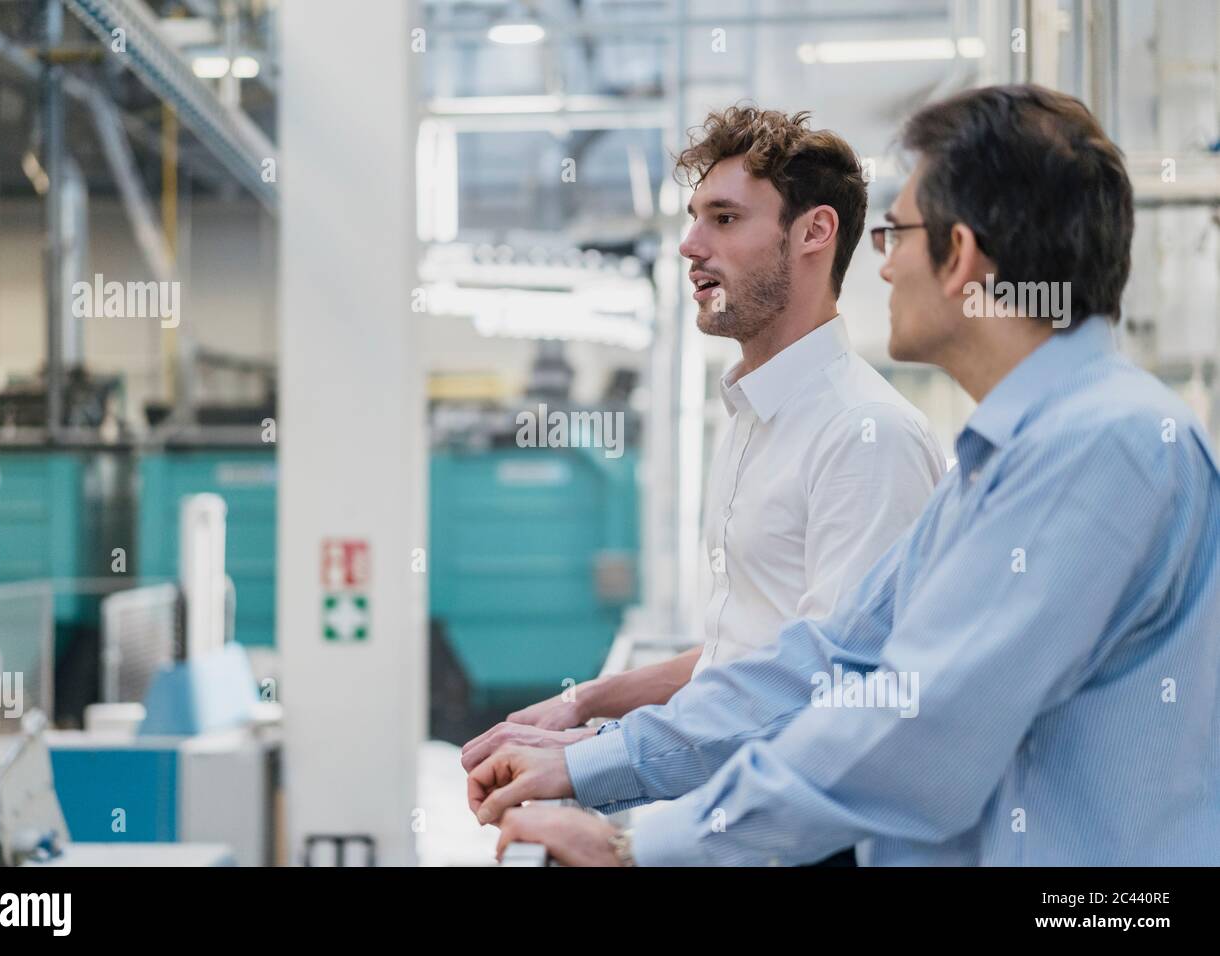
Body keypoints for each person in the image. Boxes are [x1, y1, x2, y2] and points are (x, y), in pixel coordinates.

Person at [468, 84, 1220, 866]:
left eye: (898, 233)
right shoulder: (1002, 460)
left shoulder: (1099, 446)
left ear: (958, 254)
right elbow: (827, 662)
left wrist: (636, 848)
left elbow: (921, 730)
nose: (885, 265)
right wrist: (592, 759)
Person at [461, 108, 945, 823]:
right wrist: (584, 705)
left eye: (723, 218)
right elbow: (747, 654)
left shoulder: (865, 437)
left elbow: (828, 686)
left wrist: (587, 761)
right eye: (694, 218)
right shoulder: (752, 420)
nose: (690, 245)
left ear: (814, 232)